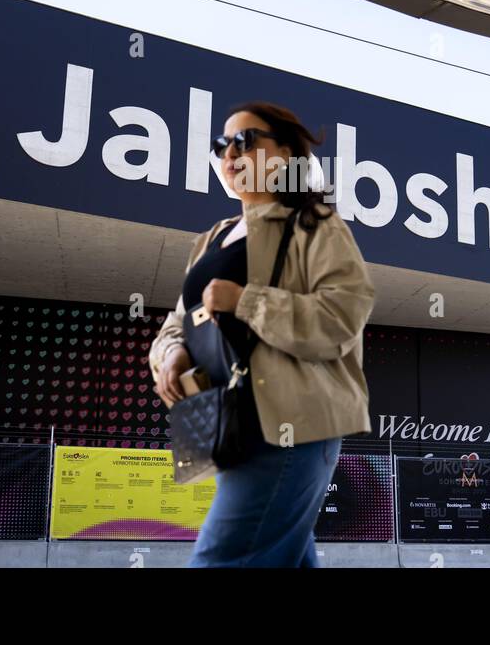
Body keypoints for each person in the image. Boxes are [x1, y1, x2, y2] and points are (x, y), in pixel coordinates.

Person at [148, 101, 376, 567]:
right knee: (280, 555)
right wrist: (170, 353)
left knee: (224, 558)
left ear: (288, 155)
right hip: (229, 424)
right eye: (221, 144)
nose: (229, 152)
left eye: (245, 140)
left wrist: (245, 301)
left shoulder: (315, 226)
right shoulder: (212, 238)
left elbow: (341, 318)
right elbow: (178, 320)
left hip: (291, 428)